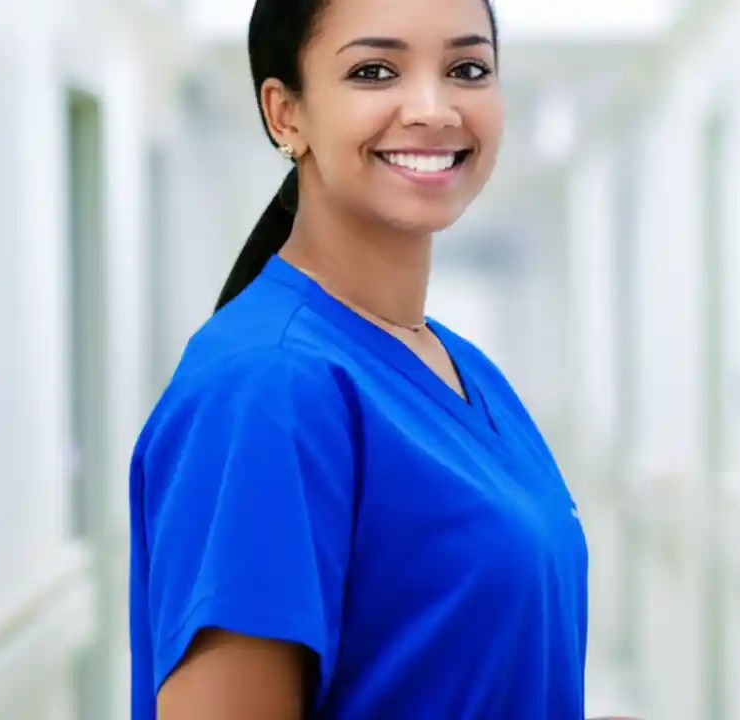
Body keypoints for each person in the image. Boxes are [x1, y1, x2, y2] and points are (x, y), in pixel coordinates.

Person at [127, 0, 596, 717]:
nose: (434, 109)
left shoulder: (457, 364)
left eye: (468, 68)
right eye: (374, 71)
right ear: (286, 114)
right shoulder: (267, 386)